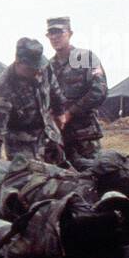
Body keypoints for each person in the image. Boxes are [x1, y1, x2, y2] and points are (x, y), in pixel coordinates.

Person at [0, 37, 67, 175]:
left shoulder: (44, 67)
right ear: (18, 62)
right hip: (23, 146)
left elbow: (55, 90)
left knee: (62, 178)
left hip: (49, 136)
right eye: (32, 68)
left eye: (38, 66)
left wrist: (60, 111)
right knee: (32, 185)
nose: (37, 72)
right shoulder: (4, 88)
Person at [45, 16, 107, 162]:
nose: (54, 37)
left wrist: (70, 112)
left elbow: (99, 91)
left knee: (93, 176)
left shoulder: (86, 58)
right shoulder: (48, 66)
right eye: (51, 33)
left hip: (84, 135)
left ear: (70, 34)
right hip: (59, 136)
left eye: (59, 32)